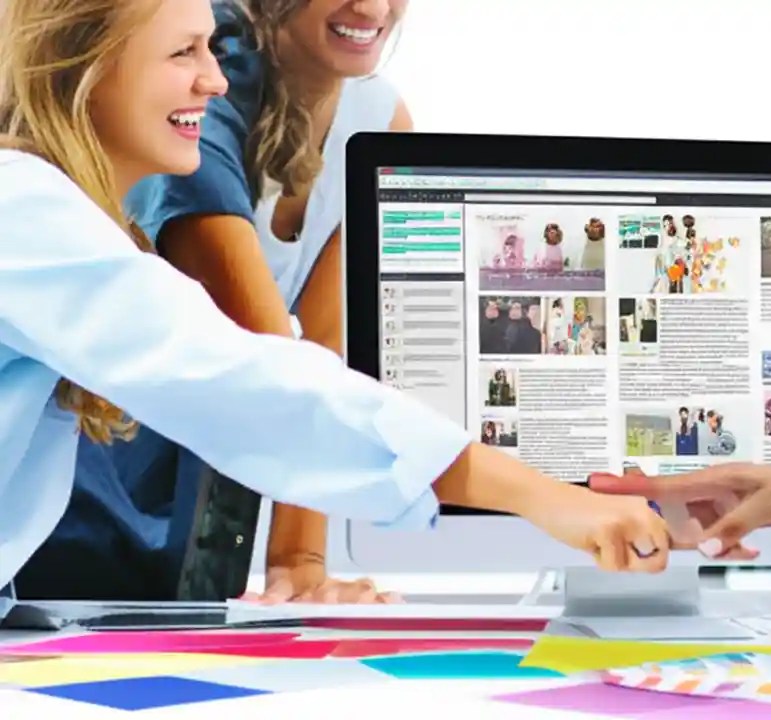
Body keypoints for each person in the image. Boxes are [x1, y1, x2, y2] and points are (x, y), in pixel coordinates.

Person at [0, 0, 670, 602]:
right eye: (184, 53)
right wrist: (540, 496)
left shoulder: (60, 215)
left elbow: (312, 354)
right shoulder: (24, 210)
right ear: (83, 71)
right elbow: (249, 379)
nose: (216, 80)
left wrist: (303, 559)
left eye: (211, 47)